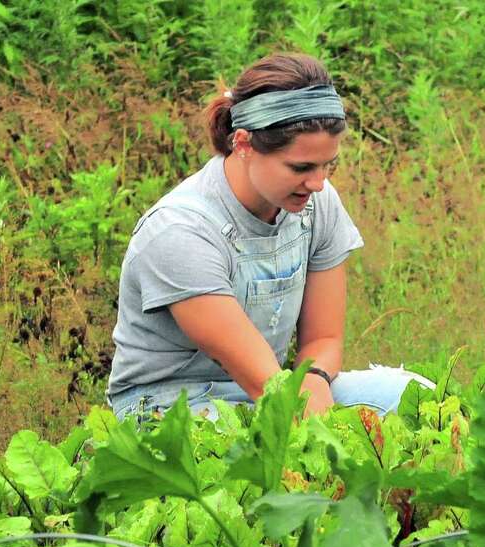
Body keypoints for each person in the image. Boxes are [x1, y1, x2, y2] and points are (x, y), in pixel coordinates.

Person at [106, 52, 432, 421]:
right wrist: (322, 420)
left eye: (328, 165)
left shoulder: (318, 204)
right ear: (243, 143)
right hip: (172, 406)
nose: (318, 182)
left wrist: (314, 376)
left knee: (414, 399)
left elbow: (323, 341)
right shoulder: (181, 231)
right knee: (257, 453)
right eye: (301, 167)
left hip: (274, 386)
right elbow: (264, 383)